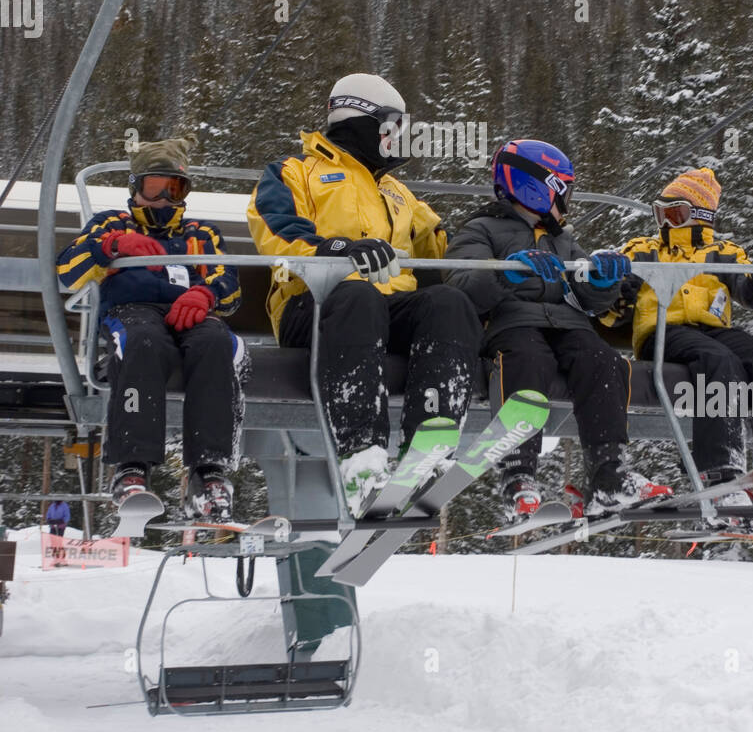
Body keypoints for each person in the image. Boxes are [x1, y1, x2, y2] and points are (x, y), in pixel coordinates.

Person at [247, 74, 482, 511]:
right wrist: (339, 249)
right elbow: (276, 230)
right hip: (318, 308)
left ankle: (430, 447)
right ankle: (362, 456)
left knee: (449, 303)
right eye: (394, 126)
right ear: (364, 121)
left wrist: (493, 231)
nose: (400, 139)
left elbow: (440, 248)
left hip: (386, 311)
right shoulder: (296, 172)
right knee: (359, 296)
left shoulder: (396, 192)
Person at [444, 138, 672, 519]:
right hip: (512, 324)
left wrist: (603, 283)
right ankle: (518, 474)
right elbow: (461, 285)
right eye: (561, 189)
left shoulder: (563, 240)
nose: (565, 200)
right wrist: (509, 274)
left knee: (604, 361)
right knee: (527, 360)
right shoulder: (480, 230)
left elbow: (590, 299)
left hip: (569, 326)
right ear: (534, 185)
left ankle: (609, 474)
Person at [603, 166, 753, 521]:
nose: (665, 223)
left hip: (711, 330)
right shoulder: (645, 249)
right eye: (660, 214)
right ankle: (719, 470)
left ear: (699, 216)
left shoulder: (723, 253)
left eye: (674, 213)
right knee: (719, 361)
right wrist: (619, 289)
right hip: (663, 331)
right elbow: (609, 306)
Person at [56, 138, 245, 521]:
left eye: (172, 189)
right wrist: (110, 246)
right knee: (142, 341)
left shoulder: (200, 233)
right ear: (135, 189)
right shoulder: (111, 224)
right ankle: (132, 466)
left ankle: (209, 472)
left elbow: (229, 281)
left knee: (214, 342)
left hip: (190, 314)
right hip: (132, 311)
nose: (161, 200)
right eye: (152, 189)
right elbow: (67, 272)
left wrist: (205, 294)